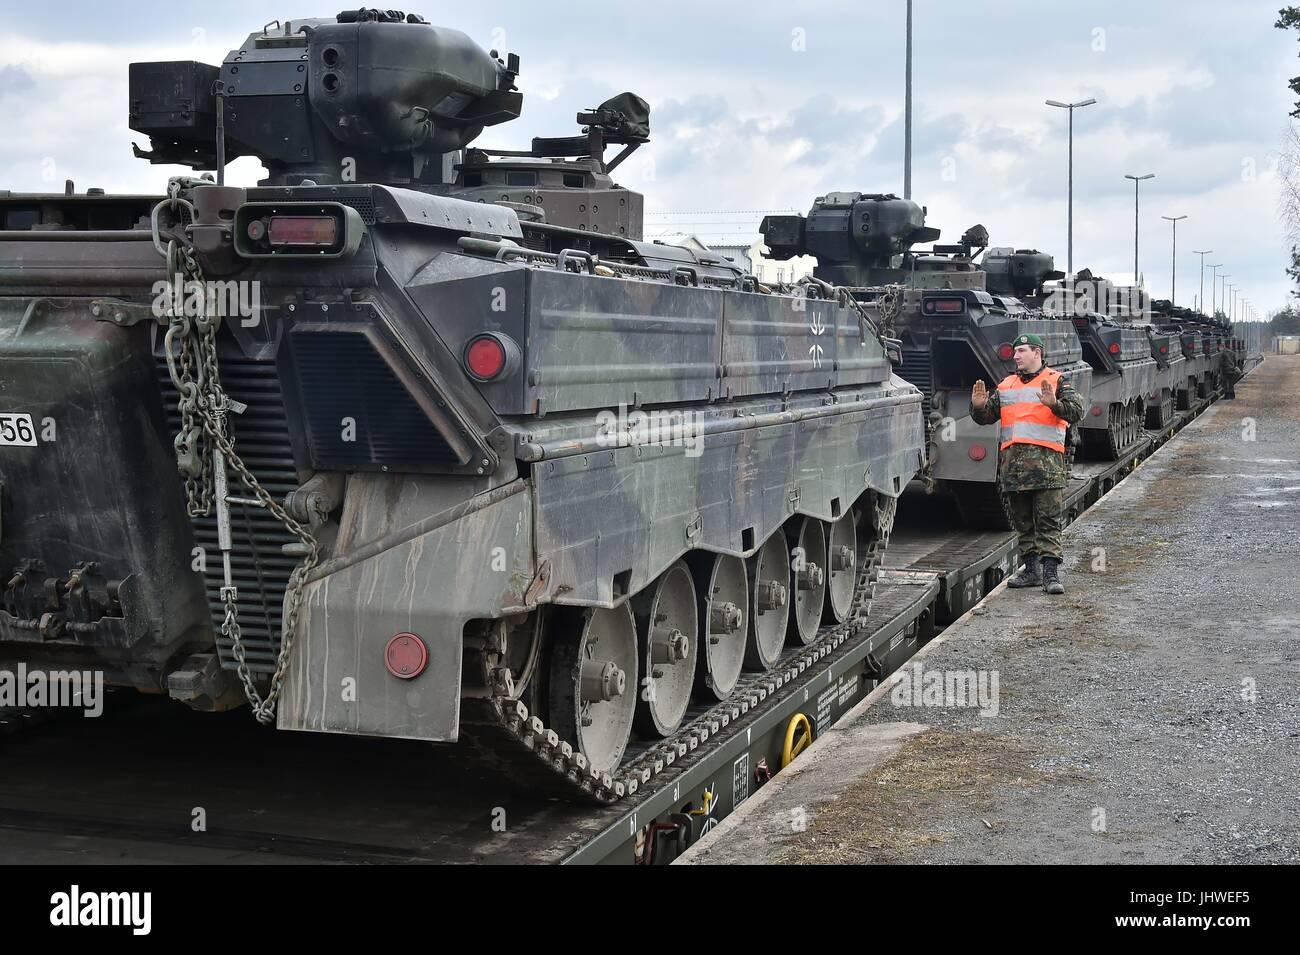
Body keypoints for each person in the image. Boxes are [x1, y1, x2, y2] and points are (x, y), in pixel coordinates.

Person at [970, 333, 1085, 595]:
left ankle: (1051, 574)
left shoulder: (1057, 381)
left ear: (1037, 353)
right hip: (1013, 469)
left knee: (1048, 522)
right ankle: (1031, 571)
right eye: (1015, 351)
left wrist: (1055, 405)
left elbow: (1077, 410)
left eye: (1021, 350)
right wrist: (978, 408)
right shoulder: (1006, 385)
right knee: (1023, 524)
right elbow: (988, 417)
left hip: (1047, 469)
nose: (1016, 356)